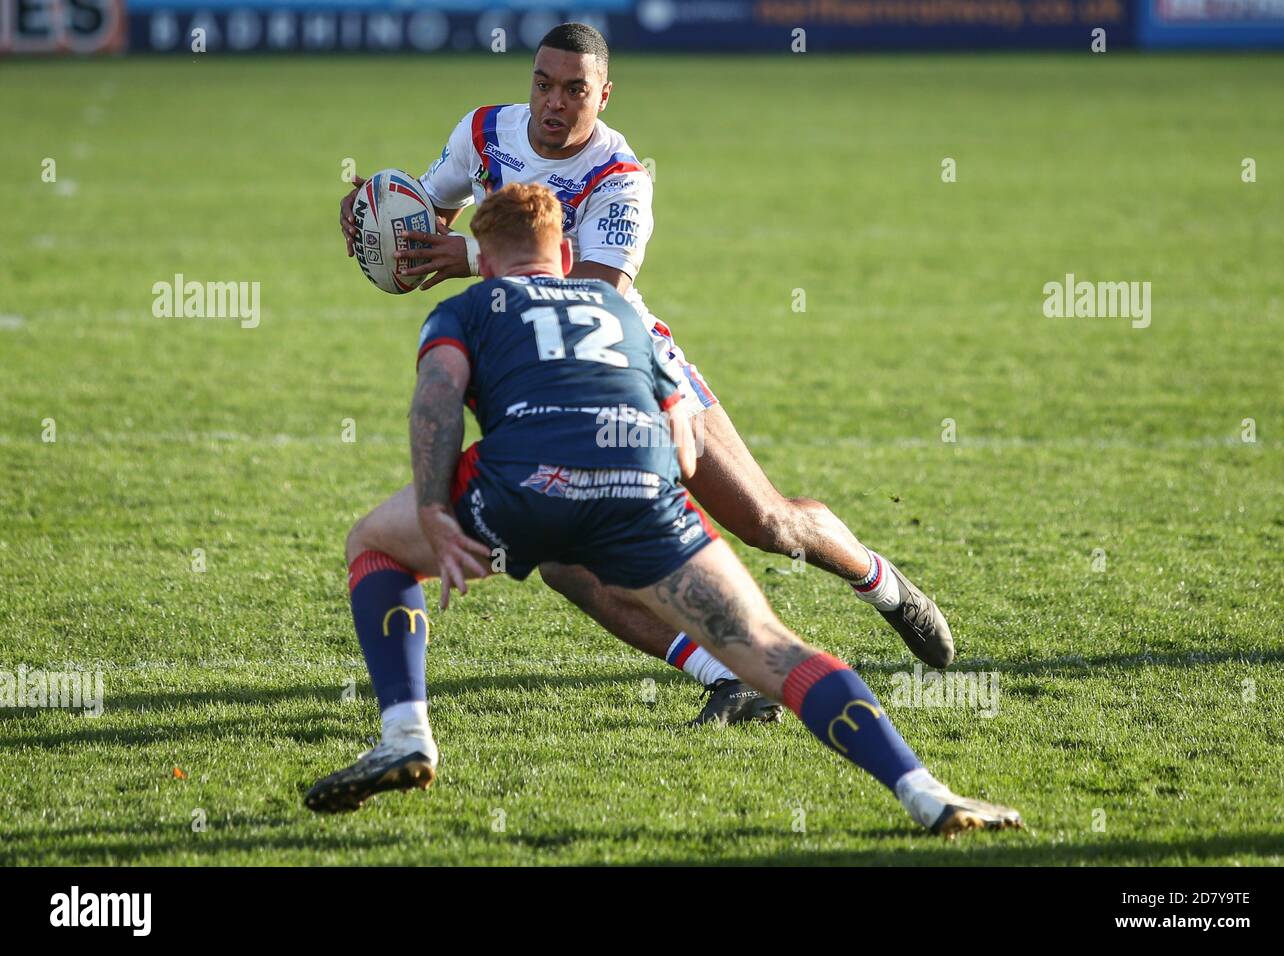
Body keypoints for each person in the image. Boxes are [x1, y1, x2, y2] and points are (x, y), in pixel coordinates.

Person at [307, 183, 1021, 839]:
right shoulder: (623, 309)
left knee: (374, 544)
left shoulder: (466, 305)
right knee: (775, 650)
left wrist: (435, 511)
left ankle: (406, 733)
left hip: (520, 489)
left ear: (485, 262)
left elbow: (436, 395)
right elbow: (683, 426)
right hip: (641, 494)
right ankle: (925, 792)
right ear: (562, 254)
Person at [338, 23, 956, 726]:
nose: (555, 103)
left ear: (604, 94)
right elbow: (427, 209)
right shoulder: (482, 134)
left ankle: (880, 583)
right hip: (536, 375)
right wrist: (376, 222)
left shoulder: (620, 177)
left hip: (628, 363)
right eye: (544, 84)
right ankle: (728, 676)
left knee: (767, 523)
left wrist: (470, 259)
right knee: (565, 561)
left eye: (576, 89)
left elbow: (596, 289)